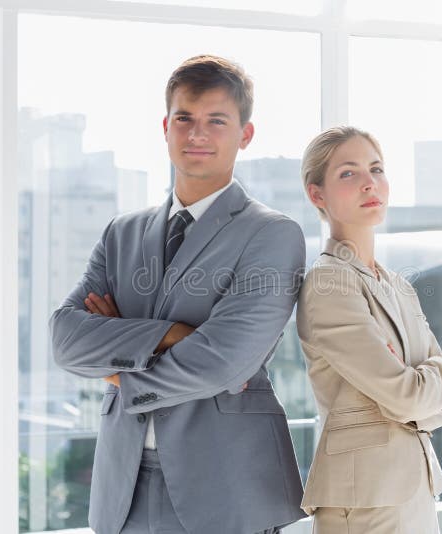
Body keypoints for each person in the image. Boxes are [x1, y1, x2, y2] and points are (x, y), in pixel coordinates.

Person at [49, 55, 307, 534]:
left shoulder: (272, 233)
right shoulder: (121, 233)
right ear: (166, 127)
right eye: (185, 118)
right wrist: (171, 332)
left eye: (216, 121)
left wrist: (118, 362)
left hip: (227, 485)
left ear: (244, 135)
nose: (197, 134)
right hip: (121, 488)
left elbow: (225, 361)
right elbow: (66, 339)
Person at [296, 126, 442, 533]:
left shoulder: (398, 285)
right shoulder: (329, 282)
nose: (370, 182)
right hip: (365, 503)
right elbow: (407, 397)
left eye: (376, 168)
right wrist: (441, 375)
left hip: (415, 490)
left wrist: (438, 380)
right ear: (317, 194)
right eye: (348, 173)